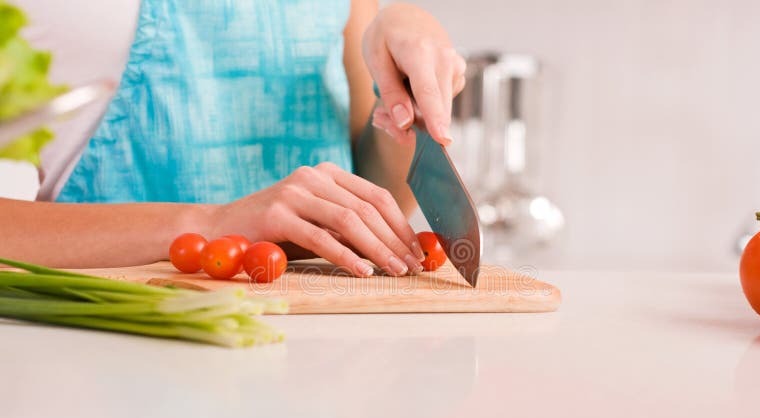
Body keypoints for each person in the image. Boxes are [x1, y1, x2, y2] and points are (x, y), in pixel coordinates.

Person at [0, 1, 466, 278]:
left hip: (320, 346)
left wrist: (406, 97)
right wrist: (211, 224)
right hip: (98, 352)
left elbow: (368, 182)